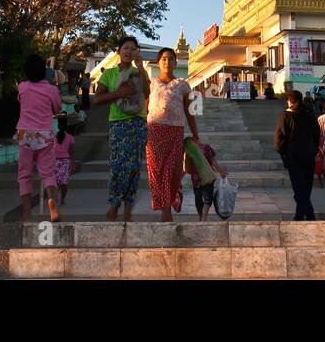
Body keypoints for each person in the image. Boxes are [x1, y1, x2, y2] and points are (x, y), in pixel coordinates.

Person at [93, 35, 150, 221]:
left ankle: (127, 207)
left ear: (137, 53)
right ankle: (114, 203)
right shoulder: (108, 74)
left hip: (138, 122)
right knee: (118, 165)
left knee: (134, 166)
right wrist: (119, 93)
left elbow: (147, 92)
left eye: (133, 49)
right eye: (125, 48)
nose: (129, 51)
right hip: (118, 123)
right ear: (118, 51)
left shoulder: (139, 72)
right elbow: (97, 99)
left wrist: (141, 68)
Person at [145, 47, 200, 222]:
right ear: (158, 62)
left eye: (171, 59)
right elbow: (143, 108)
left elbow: (190, 111)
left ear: (176, 62)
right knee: (157, 173)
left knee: (174, 171)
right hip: (154, 132)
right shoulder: (151, 84)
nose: (167, 62)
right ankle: (165, 211)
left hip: (176, 131)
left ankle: (173, 195)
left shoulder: (183, 84)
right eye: (164, 59)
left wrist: (196, 134)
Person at [15, 53, 62, 222]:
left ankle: (27, 212)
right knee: (48, 172)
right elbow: (57, 109)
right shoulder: (52, 89)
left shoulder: (22, 87)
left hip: (25, 134)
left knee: (25, 174)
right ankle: (52, 202)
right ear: (44, 72)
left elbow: (22, 103)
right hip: (45, 135)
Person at [274, 90, 321, 221]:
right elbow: (317, 136)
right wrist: (315, 150)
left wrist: (283, 153)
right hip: (309, 154)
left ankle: (307, 214)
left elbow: (279, 139)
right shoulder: (310, 116)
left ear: (290, 101)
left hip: (293, 155)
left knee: (298, 186)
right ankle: (301, 214)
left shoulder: (285, 116)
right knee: (306, 185)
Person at [184, 139, 226, 221]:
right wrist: (219, 170)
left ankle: (203, 217)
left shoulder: (196, 149)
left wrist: (219, 170)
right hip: (205, 178)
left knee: (201, 198)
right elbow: (186, 166)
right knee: (204, 198)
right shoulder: (203, 148)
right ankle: (203, 217)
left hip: (201, 179)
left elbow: (185, 168)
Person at [54, 113, 75, 204]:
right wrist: (73, 163)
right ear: (66, 126)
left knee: (56, 182)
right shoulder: (70, 138)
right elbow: (71, 152)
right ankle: (62, 200)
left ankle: (55, 199)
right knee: (64, 182)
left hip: (54, 161)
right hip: (65, 161)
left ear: (58, 126)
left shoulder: (54, 136)